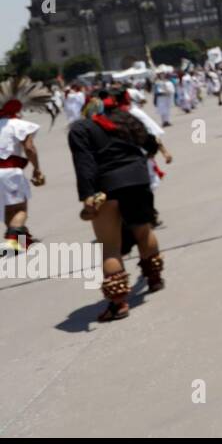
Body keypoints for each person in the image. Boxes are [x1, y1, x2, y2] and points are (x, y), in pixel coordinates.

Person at [68, 87, 165, 321]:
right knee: (144, 230)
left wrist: (87, 195)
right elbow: (151, 144)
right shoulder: (126, 119)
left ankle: (118, 303)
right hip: (137, 179)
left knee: (109, 246)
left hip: (107, 186)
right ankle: (154, 279)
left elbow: (84, 163)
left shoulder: (81, 128)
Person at [1, 91, 46, 253]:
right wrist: (37, 168)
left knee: (8, 209)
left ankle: (21, 241)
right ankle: (11, 240)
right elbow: (29, 148)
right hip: (11, 171)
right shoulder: (18, 124)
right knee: (20, 209)